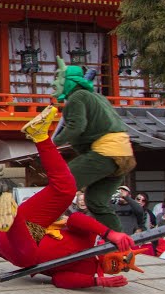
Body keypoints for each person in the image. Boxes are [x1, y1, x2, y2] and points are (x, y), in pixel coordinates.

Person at [0, 105, 139, 290]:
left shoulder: (87, 270)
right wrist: (109, 233)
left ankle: (12, 221)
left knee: (31, 256)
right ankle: (40, 135)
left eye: (125, 267)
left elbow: (60, 280)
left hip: (16, 246)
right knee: (66, 189)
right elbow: (76, 218)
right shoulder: (91, 238)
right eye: (126, 258)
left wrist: (97, 281)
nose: (122, 263)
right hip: (34, 227)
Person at [50, 57, 135, 233]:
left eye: (57, 78)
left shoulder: (77, 98)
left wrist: (51, 144)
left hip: (106, 152)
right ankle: (118, 240)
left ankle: (43, 225)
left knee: (62, 181)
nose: (53, 84)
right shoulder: (97, 97)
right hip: (124, 154)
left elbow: (76, 127)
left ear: (68, 81)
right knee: (96, 201)